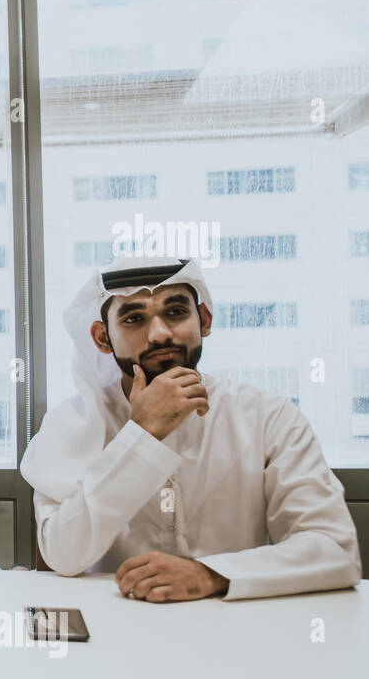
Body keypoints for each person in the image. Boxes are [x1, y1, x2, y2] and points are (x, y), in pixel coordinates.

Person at [20, 256, 361, 600]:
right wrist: (142, 434)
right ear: (102, 338)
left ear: (205, 320)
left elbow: (334, 549)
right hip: (113, 626)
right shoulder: (69, 423)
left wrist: (210, 575)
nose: (159, 334)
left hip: (236, 628)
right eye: (135, 318)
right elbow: (62, 555)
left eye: (176, 312)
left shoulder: (268, 416)